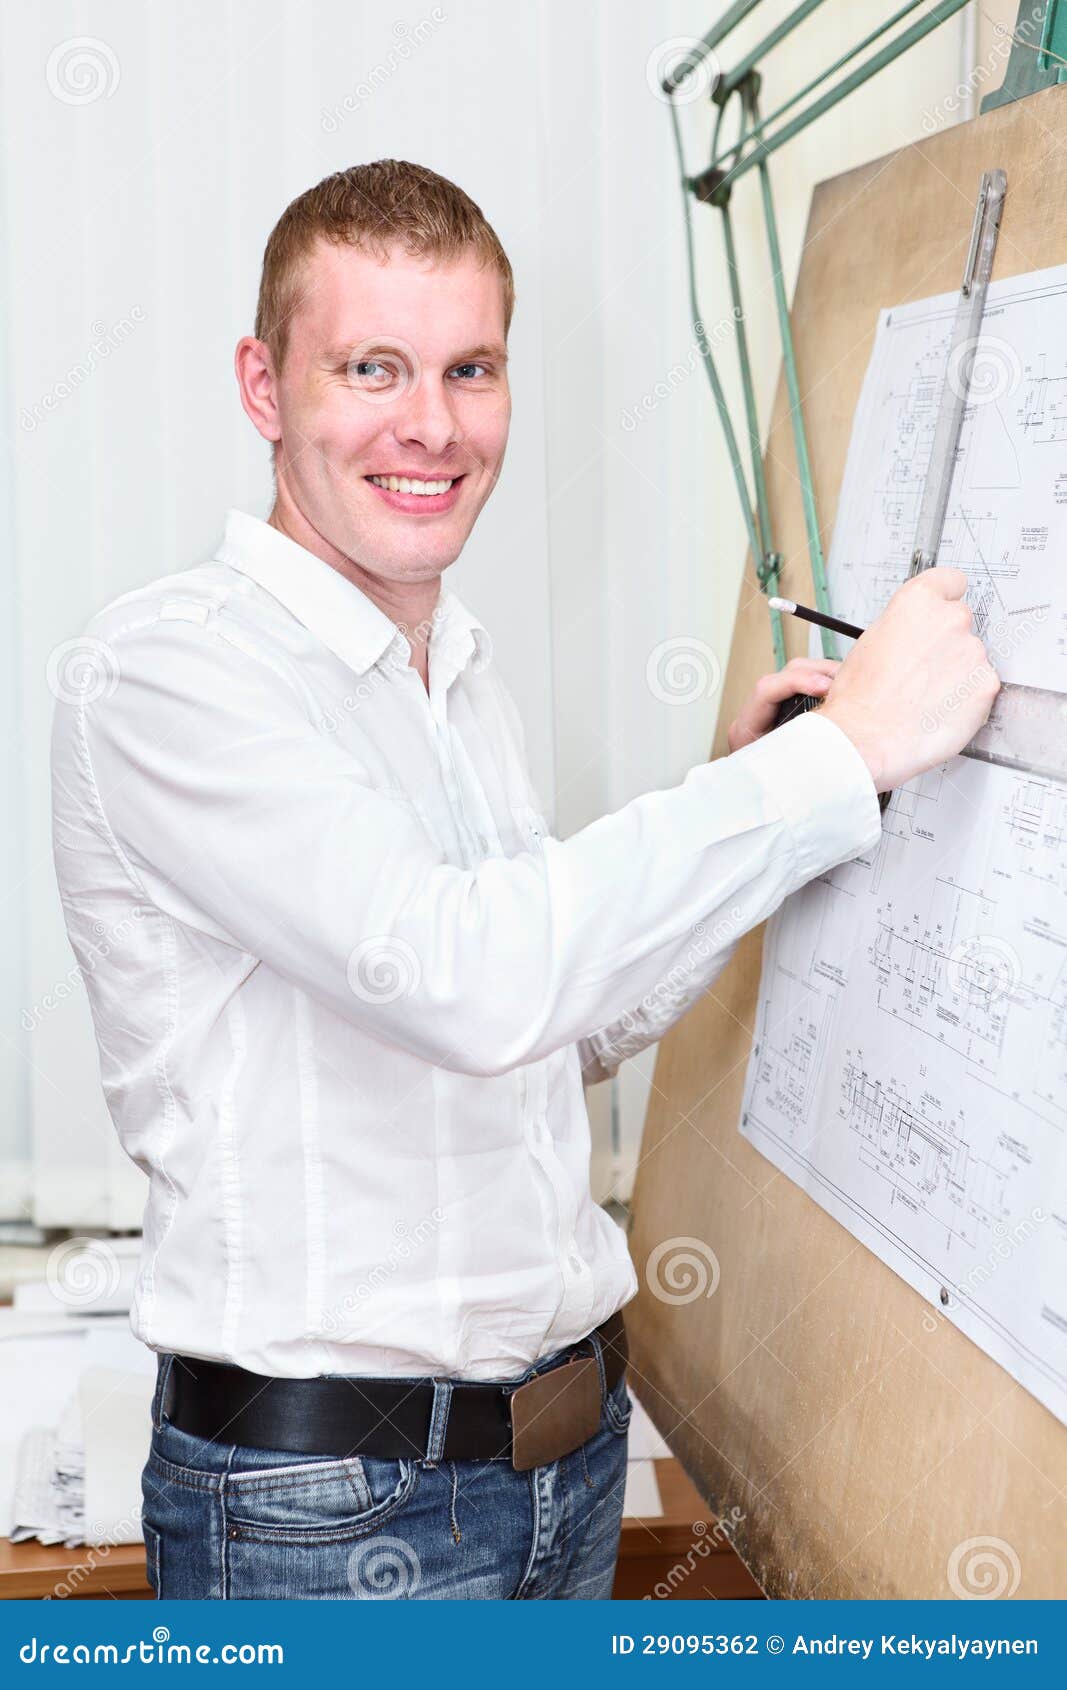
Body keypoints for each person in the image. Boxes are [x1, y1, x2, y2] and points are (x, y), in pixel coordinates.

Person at [49, 160, 999, 1601]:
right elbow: (473, 977)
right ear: (263, 384)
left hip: (556, 1468)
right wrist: (825, 762)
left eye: (471, 368)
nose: (431, 423)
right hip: (332, 1514)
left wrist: (781, 795)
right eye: (372, 366)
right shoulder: (170, 673)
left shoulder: (454, 674)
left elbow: (555, 1022)